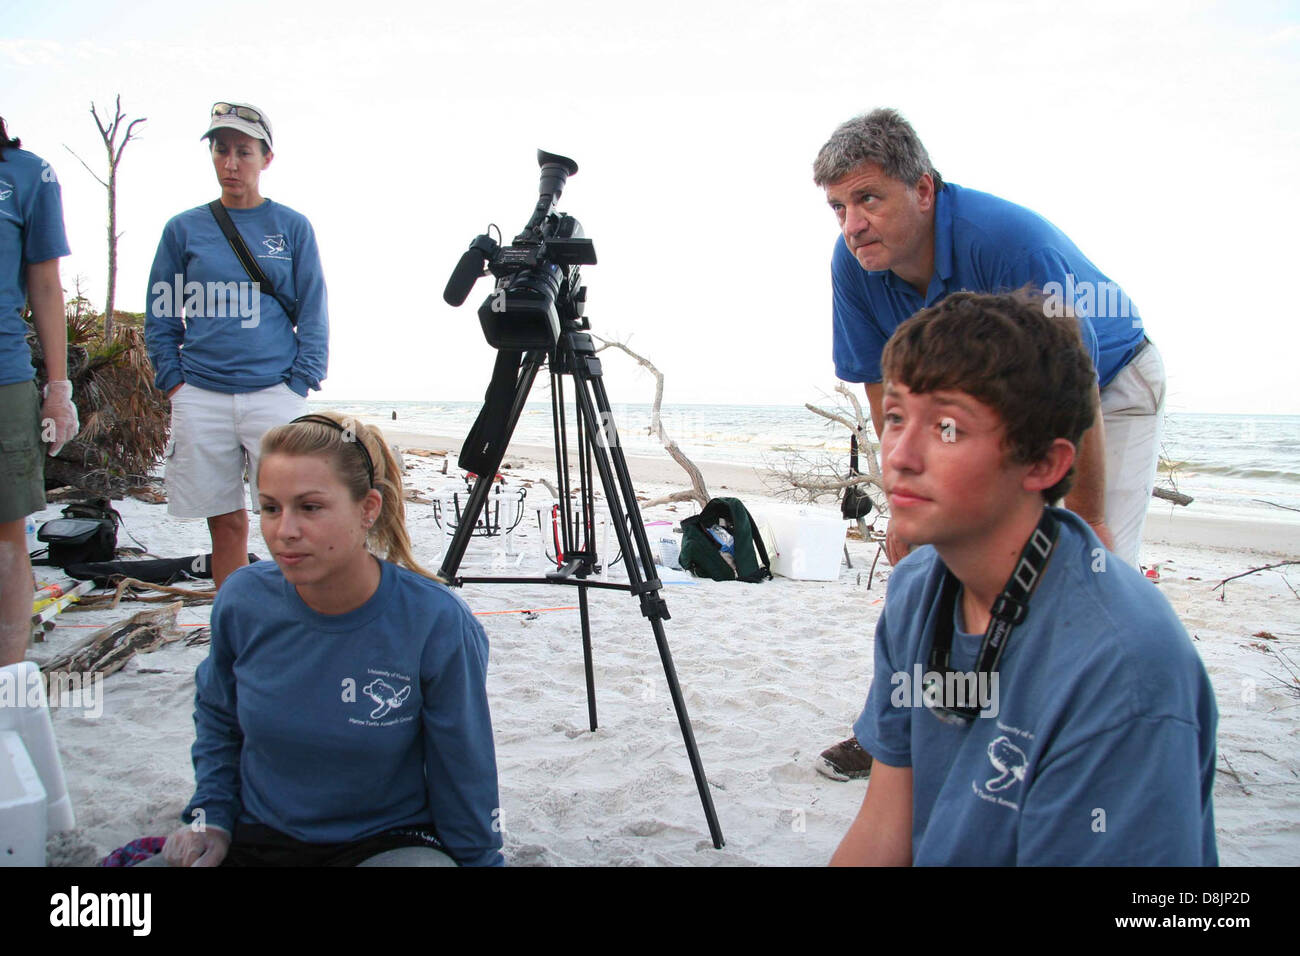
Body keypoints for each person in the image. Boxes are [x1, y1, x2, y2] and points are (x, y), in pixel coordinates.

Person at [813, 108, 1165, 781]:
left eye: (868, 199)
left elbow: (1079, 388)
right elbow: (885, 394)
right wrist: (905, 507)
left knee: (1083, 566)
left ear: (923, 189)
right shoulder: (854, 264)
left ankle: (1089, 735)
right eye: (838, 208)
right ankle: (902, 728)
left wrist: (1086, 521)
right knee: (926, 563)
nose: (852, 223)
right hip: (980, 400)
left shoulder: (1008, 244)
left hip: (1107, 384)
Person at [828, 291, 1216, 866]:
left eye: (948, 427)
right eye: (895, 418)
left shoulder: (1124, 665)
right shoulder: (916, 591)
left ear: (1045, 465)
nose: (900, 456)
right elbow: (886, 826)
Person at [156, 413, 504, 866]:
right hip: (259, 834)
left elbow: (464, 768)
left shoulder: (436, 622)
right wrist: (212, 819)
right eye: (270, 507)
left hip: (385, 843)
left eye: (310, 507)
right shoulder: (243, 600)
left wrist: (480, 861)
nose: (285, 531)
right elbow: (220, 720)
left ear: (368, 509)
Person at [146, 101, 328, 590]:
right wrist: (174, 382)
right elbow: (161, 314)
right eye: (221, 149)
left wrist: (300, 383)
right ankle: (233, 625)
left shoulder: (291, 227)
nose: (231, 163)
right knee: (224, 523)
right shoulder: (183, 229)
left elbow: (314, 310)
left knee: (291, 522)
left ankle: (294, 622)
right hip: (200, 393)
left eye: (243, 152)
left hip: (274, 392)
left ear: (265, 158)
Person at [0, 117, 78, 667]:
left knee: (7, 541)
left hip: (4, 378)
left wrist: (58, 389)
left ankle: (7, 685)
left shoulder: (30, 176)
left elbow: (46, 284)